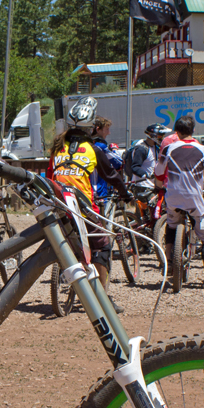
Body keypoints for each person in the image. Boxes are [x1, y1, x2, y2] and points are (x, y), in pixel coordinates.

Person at [51, 97, 130, 310]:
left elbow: (51, 176)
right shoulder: (93, 149)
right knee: (103, 244)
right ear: (91, 127)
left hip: (58, 205)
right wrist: (126, 194)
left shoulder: (58, 147)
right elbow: (112, 175)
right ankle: (102, 298)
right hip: (83, 207)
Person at [154, 115, 204, 290]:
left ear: (176, 132)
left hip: (173, 197)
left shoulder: (168, 148)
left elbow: (158, 173)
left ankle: (170, 262)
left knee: (171, 225)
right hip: (194, 199)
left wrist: (159, 187)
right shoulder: (203, 149)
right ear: (193, 130)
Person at [90, 117, 123, 202]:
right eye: (107, 129)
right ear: (98, 129)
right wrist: (114, 150)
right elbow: (119, 163)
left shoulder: (84, 145)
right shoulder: (101, 147)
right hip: (98, 189)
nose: (109, 133)